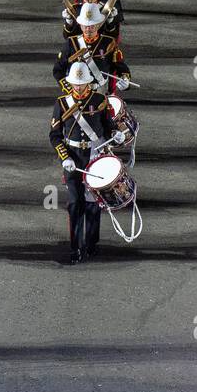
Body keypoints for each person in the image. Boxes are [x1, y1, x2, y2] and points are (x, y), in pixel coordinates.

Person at [49, 62, 123, 264]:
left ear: (89, 83)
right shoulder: (62, 103)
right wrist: (65, 157)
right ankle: (75, 248)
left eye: (82, 84)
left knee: (93, 203)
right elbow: (55, 136)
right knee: (75, 203)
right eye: (75, 84)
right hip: (73, 157)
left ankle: (91, 243)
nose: (78, 88)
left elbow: (107, 126)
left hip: (94, 153)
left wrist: (115, 135)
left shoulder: (99, 100)